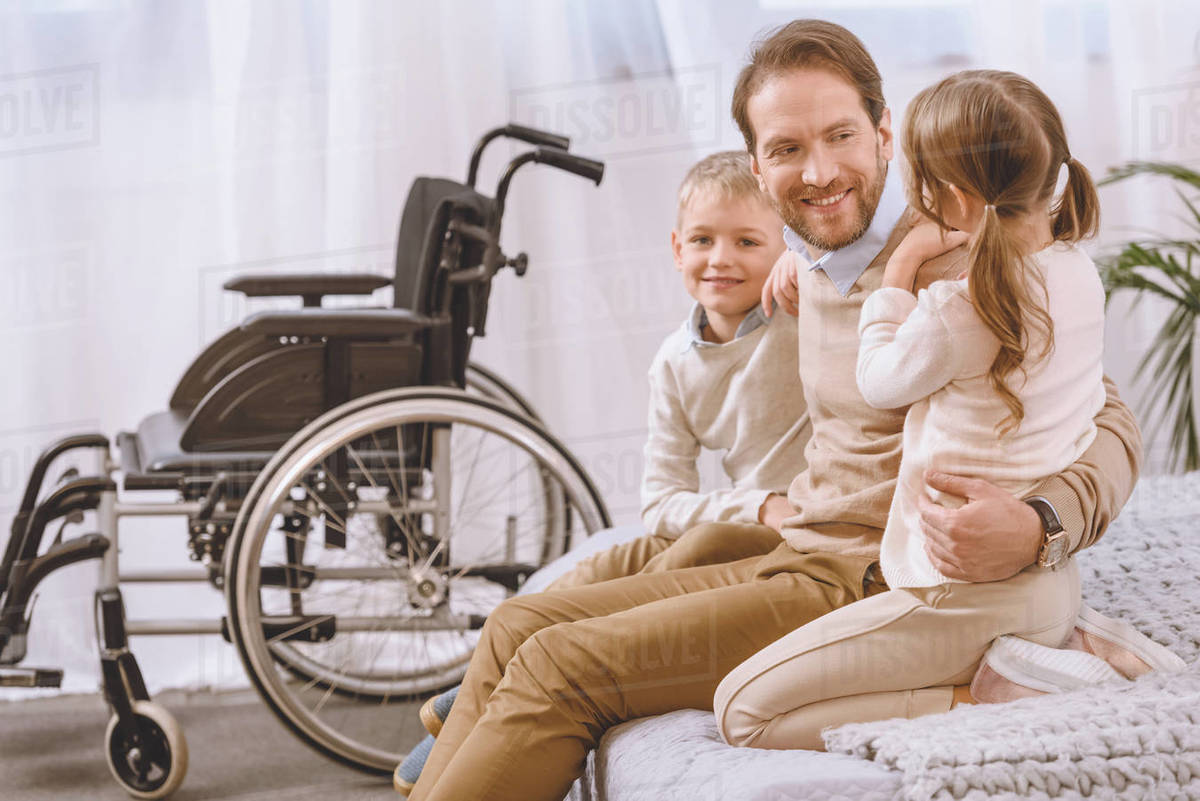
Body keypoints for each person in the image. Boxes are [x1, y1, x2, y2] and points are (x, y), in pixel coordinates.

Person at [403, 21, 1142, 801]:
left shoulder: (960, 255)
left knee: (560, 664)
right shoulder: (810, 257)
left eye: (840, 137)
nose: (819, 172)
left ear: (885, 136)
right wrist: (794, 261)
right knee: (522, 625)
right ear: (757, 166)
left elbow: (1108, 416)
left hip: (870, 578)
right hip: (804, 544)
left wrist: (1040, 523)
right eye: (786, 149)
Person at [712, 68, 1184, 751]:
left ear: (952, 197)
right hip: (1049, 580)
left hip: (958, 591)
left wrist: (901, 271)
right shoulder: (1077, 272)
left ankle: (996, 691)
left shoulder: (961, 308)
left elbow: (879, 380)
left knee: (742, 711)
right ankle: (1062, 641)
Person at [394, 150, 801, 794]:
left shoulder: (797, 322)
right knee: (617, 560)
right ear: (676, 249)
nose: (721, 258)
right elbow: (661, 500)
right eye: (703, 240)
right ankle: (486, 683)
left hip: (790, 534)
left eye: (748, 241)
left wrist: (801, 264)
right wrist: (753, 504)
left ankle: (496, 683)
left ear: (785, 250)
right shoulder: (674, 361)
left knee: (698, 543)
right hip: (753, 515)